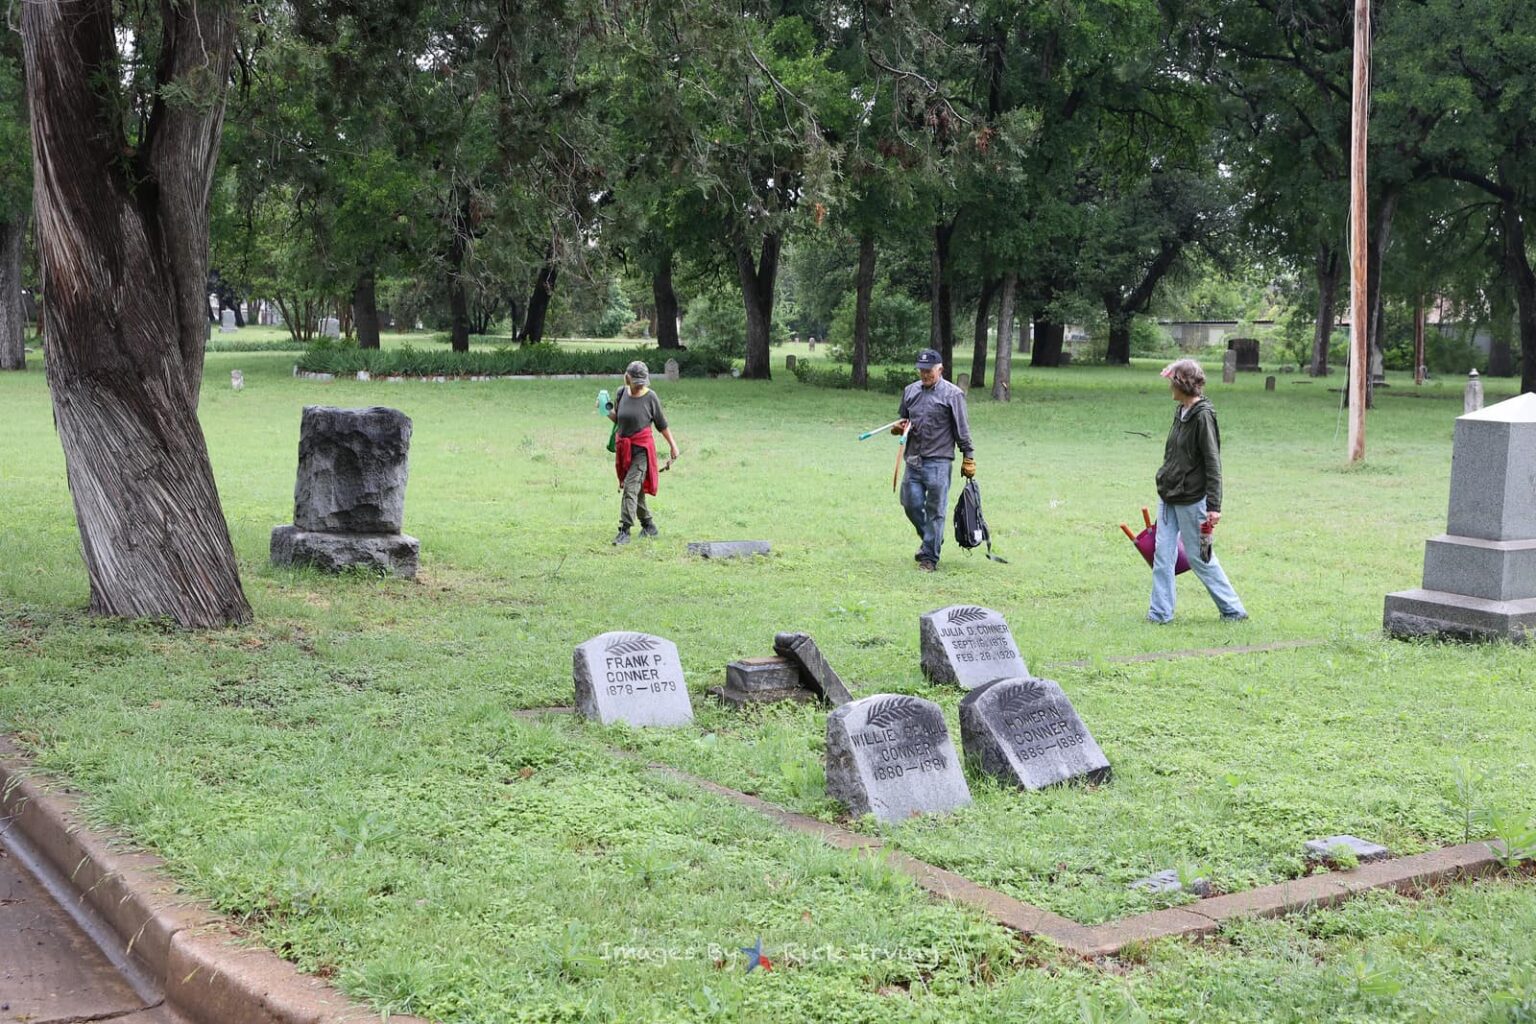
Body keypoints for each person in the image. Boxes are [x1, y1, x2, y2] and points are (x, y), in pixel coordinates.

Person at [1148, 358, 1247, 622]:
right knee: (1162, 555)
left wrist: (1214, 507)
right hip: (1169, 496)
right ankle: (1159, 615)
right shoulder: (1180, 411)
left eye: (1172, 381)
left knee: (1201, 557)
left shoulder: (1203, 416)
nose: (1169, 385)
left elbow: (1213, 463)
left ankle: (1233, 610)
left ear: (1182, 384)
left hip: (1193, 501)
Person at [892, 348, 975, 571]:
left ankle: (929, 557)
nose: (925, 374)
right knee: (909, 503)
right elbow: (904, 419)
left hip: (939, 461)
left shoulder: (953, 394)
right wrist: (899, 427)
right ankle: (933, 537)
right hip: (914, 459)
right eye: (921, 370)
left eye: (929, 370)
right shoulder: (910, 391)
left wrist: (968, 456)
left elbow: (962, 429)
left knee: (935, 510)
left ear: (940, 369)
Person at [609, 360, 680, 545]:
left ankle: (624, 530)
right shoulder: (621, 392)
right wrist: (606, 411)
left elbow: (661, 424)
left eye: (643, 381)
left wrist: (673, 446)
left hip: (642, 451)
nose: (640, 384)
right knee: (637, 490)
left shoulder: (651, 397)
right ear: (628, 378)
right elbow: (619, 419)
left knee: (631, 488)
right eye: (637, 380)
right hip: (625, 449)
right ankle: (649, 526)